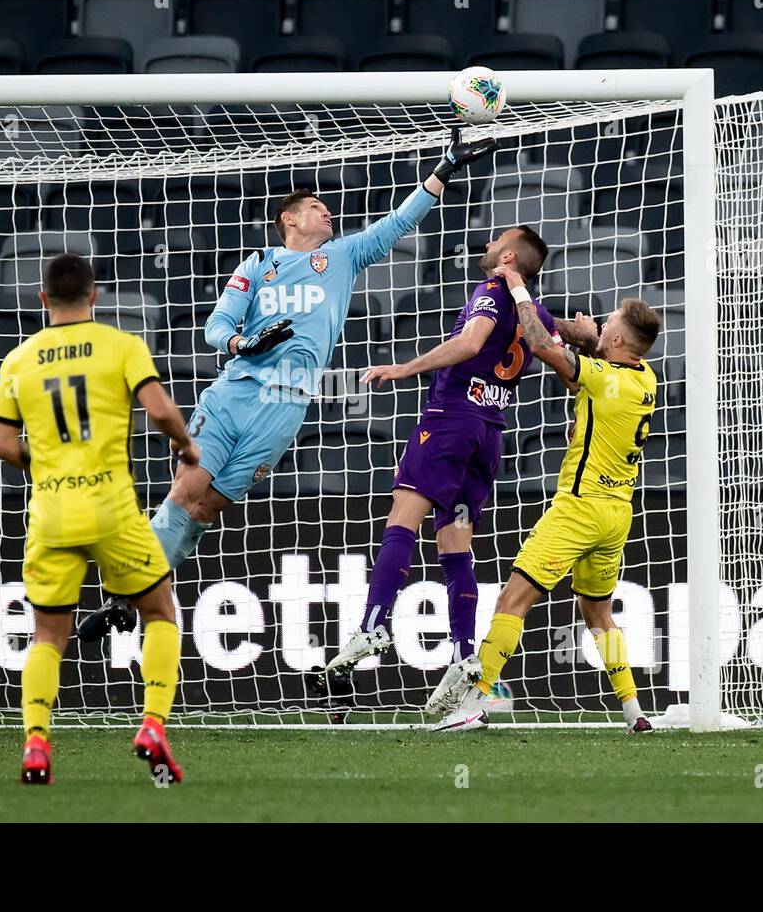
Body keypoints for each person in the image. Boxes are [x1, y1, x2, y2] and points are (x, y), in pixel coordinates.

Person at [80, 128, 497, 642]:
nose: (328, 213)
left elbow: (398, 223)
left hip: (286, 407)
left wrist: (444, 169)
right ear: (290, 219)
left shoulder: (342, 257)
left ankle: (133, 596)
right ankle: (125, 593)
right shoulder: (258, 264)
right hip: (235, 393)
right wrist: (242, 344)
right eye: (317, 207)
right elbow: (215, 327)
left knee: (205, 508)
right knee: (186, 490)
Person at [319, 225, 600, 717]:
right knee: (456, 545)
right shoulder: (530, 309)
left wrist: (404, 369)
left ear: (507, 255)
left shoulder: (492, 289)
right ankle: (463, 653)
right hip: (488, 437)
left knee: (402, 517)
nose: (487, 244)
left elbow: (471, 343)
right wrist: (587, 332)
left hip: (449, 424)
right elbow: (562, 339)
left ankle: (372, 623)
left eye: (496, 241)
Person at [0, 252, 199, 784]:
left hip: (52, 513)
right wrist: (185, 446)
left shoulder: (20, 359)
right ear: (94, 296)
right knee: (160, 612)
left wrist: (44, 463)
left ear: (42, 300)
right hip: (111, 509)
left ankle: (36, 744)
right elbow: (160, 411)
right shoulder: (120, 346)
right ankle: (153, 725)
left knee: (47, 637)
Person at [435, 273, 661, 734]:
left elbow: (539, 347)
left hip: (579, 508)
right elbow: (578, 380)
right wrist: (581, 341)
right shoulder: (645, 379)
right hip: (618, 514)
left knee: (512, 599)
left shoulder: (601, 376)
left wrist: (519, 291)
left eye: (606, 325)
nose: (599, 326)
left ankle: (476, 704)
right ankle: (635, 712)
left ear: (616, 338)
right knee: (598, 612)